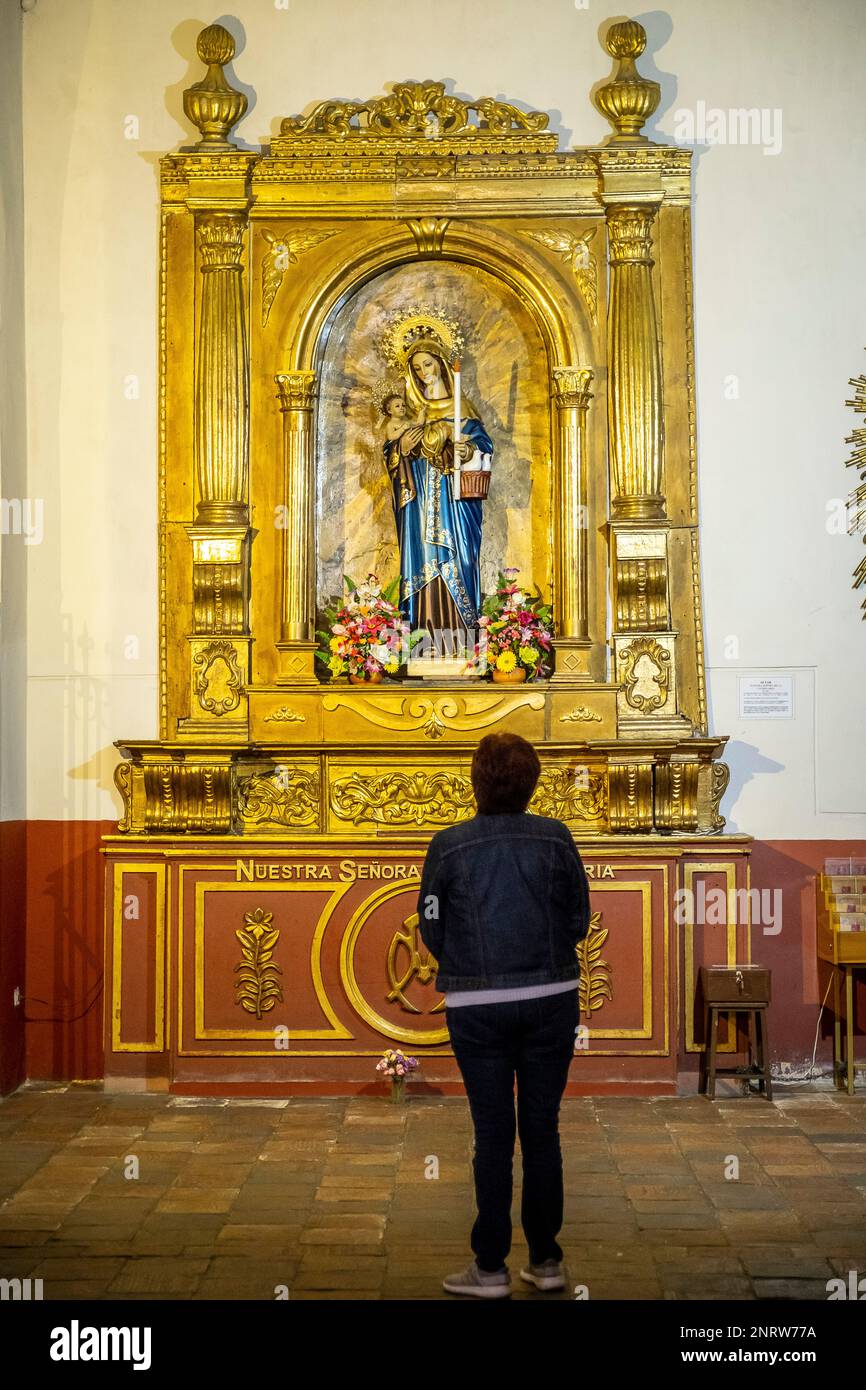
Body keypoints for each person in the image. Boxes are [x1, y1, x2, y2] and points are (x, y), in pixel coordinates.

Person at [417, 732, 590, 1299]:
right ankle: (546, 1261)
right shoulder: (556, 838)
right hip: (550, 996)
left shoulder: (449, 844)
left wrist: (467, 965)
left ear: (475, 780)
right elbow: (578, 916)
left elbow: (432, 921)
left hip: (477, 1006)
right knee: (542, 1129)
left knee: (492, 1133)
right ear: (533, 781)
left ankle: (489, 1267)